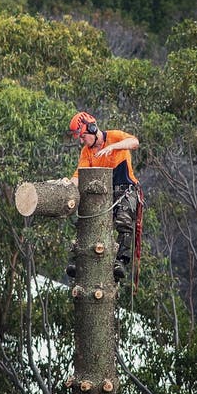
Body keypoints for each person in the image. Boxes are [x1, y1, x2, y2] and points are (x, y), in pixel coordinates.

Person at [66, 111, 142, 280]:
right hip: (103, 194)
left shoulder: (114, 136)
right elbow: (79, 175)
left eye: (83, 136)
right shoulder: (86, 152)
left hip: (125, 189)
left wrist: (112, 147)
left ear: (92, 129)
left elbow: (134, 142)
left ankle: (120, 261)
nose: (81, 140)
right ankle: (80, 261)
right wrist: (66, 184)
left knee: (124, 221)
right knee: (86, 219)